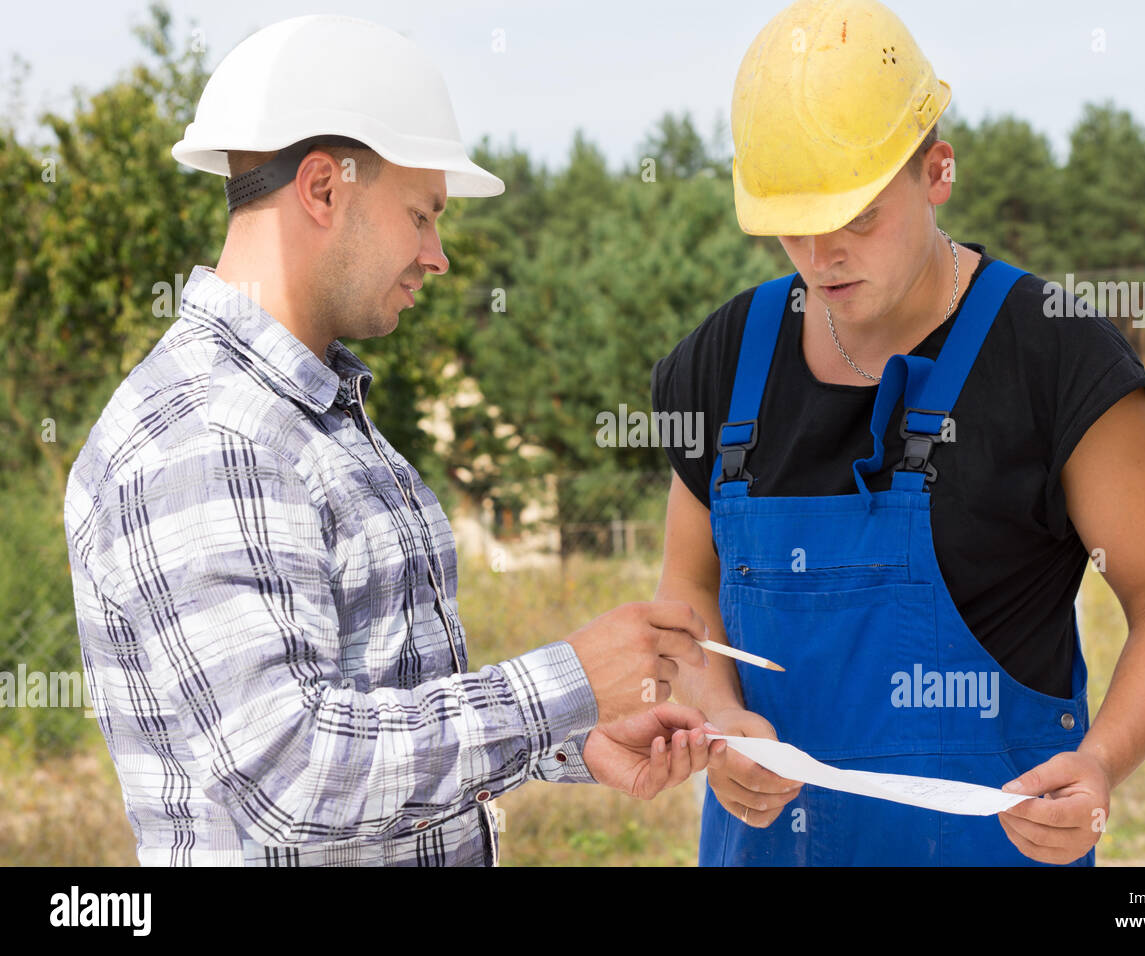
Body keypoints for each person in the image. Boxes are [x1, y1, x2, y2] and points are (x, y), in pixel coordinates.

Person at [63, 14, 717, 868]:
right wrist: (567, 681)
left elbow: (379, 716)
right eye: (421, 214)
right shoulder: (210, 436)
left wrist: (567, 739)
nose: (437, 255)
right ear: (324, 189)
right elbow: (293, 777)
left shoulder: (315, 414)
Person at [651, 0, 1145, 865]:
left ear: (937, 170)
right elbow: (687, 595)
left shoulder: (1056, 355)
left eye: (859, 216)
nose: (823, 253)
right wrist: (723, 721)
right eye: (795, 226)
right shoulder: (727, 359)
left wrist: (1101, 764)